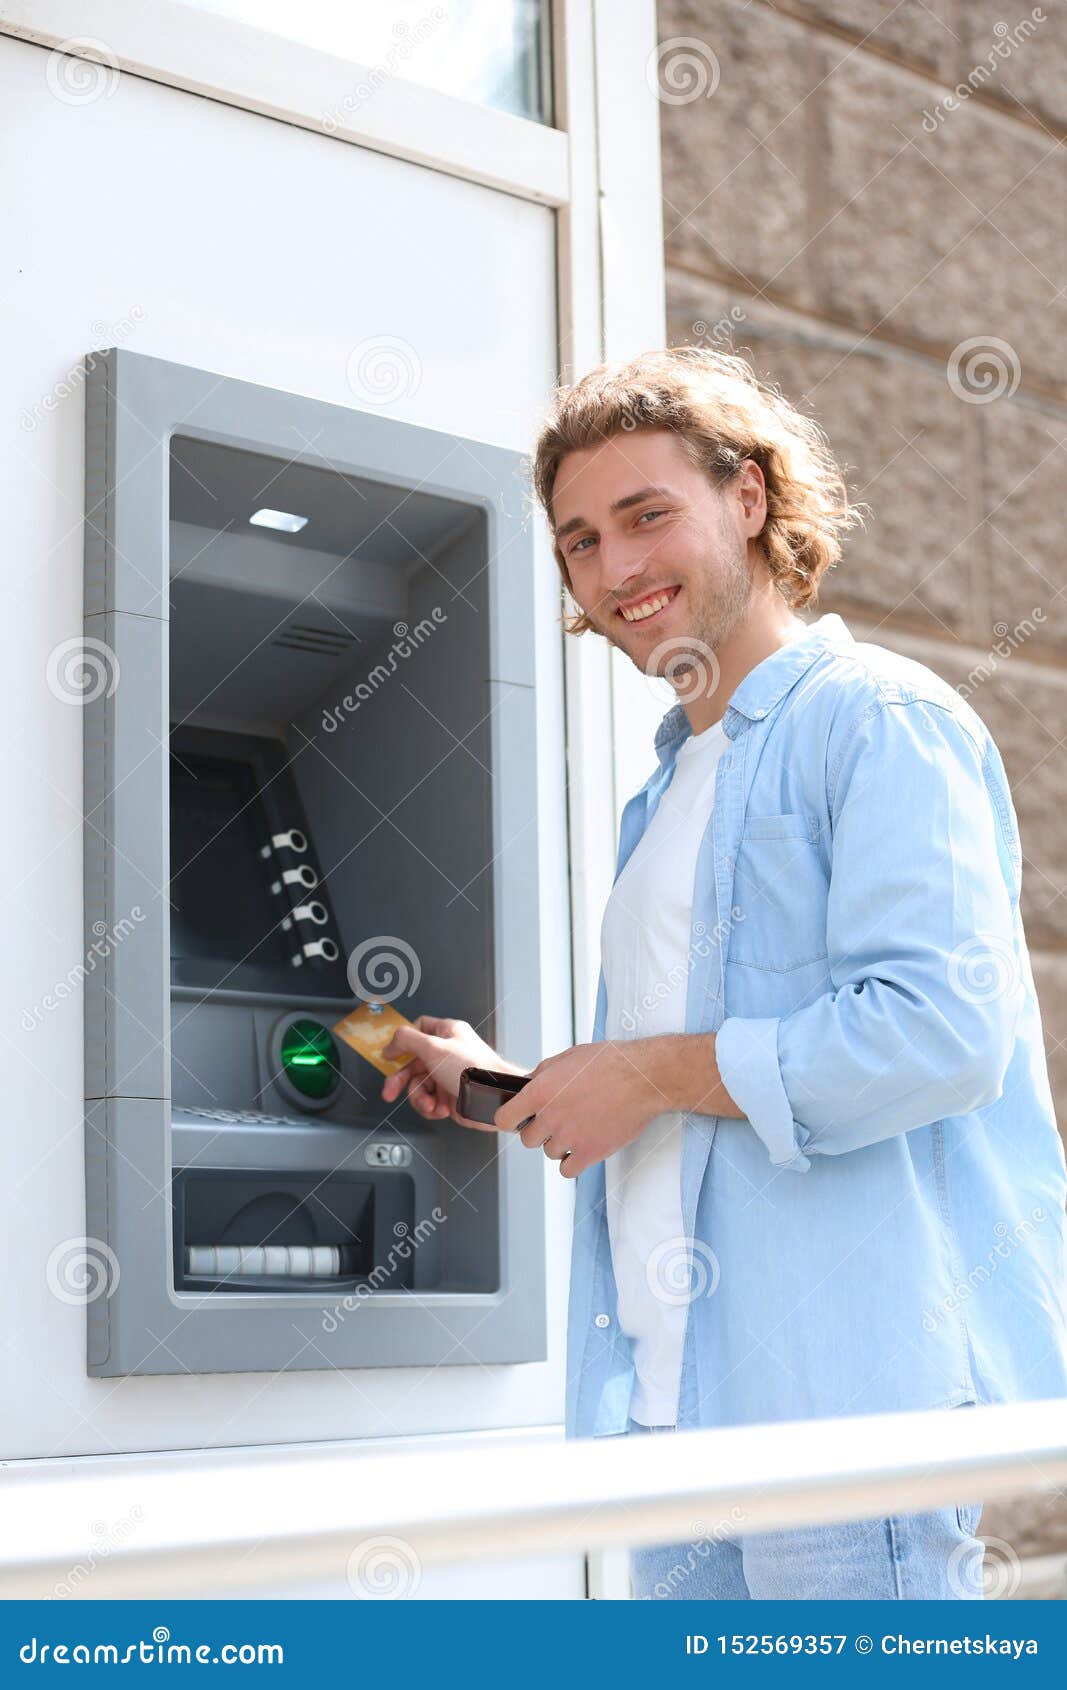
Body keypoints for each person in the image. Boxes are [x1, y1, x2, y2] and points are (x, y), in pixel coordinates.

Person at [380, 347, 1067, 1600]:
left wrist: (639, 1073)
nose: (615, 569)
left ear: (746, 499)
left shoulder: (872, 719)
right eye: (580, 540)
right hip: (672, 1404)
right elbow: (697, 1097)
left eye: (647, 516)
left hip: (837, 1421)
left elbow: (938, 1031)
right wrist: (504, 1083)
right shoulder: (669, 786)